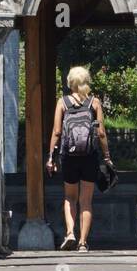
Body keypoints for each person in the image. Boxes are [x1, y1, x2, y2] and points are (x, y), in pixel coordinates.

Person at [46, 66, 113, 252]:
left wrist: (50, 157)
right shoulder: (95, 103)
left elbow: (57, 131)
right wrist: (106, 156)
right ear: (86, 81)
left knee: (69, 197)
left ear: (70, 82)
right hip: (89, 156)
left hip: (69, 156)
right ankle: (83, 242)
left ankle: (70, 233)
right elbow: (100, 133)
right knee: (86, 201)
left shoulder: (63, 102)